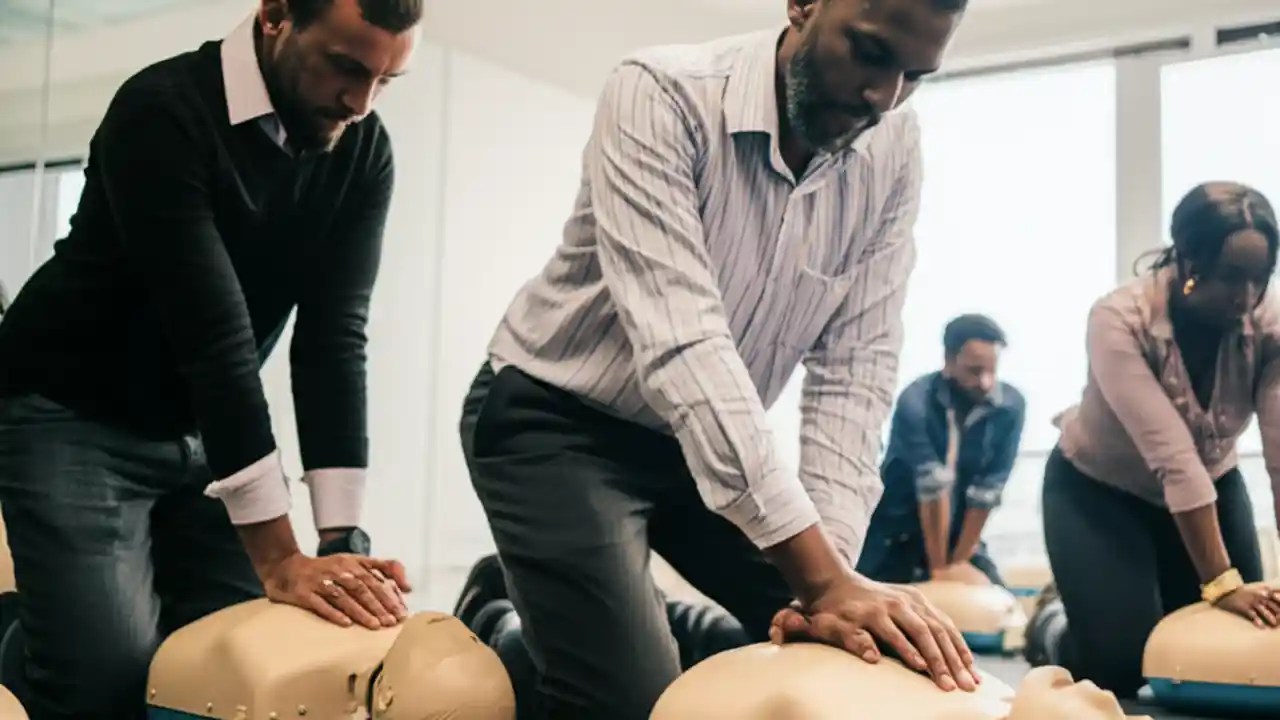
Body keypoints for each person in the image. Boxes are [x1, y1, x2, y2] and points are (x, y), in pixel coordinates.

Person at [456, 0, 977, 717]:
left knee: (862, 657)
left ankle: (640, 625)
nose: (882, 98)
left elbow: (855, 372)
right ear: (802, 5)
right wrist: (820, 581)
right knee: (631, 704)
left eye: (915, 76)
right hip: (557, 423)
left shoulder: (891, 146)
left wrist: (836, 579)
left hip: (701, 447)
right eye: (870, 54)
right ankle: (505, 625)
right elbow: (685, 346)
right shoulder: (659, 93)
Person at [0, 1, 420, 717]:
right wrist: (281, 558)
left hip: (200, 432)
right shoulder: (161, 112)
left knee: (234, 658)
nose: (361, 102)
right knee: (108, 685)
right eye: (347, 67)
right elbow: (215, 340)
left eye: (386, 80)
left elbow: (334, 338)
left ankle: (60, 625)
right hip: (68, 411)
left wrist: (339, 536)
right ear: (276, 14)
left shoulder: (363, 149)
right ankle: (27, 633)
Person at [1025, 181, 1280, 698]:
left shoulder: (1270, 326)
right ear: (1189, 263)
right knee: (1121, 665)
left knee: (1238, 639)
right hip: (1100, 493)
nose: (1247, 297)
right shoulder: (1118, 319)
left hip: (1213, 484)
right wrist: (1222, 582)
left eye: (1261, 278)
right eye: (1233, 277)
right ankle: (1052, 621)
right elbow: (1174, 460)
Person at [858, 314, 1026, 587]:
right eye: (974, 371)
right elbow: (932, 486)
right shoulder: (916, 400)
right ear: (949, 361)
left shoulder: (1010, 406)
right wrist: (940, 575)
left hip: (960, 537)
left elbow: (988, 491)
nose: (985, 382)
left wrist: (957, 565)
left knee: (999, 596)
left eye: (992, 371)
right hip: (896, 532)